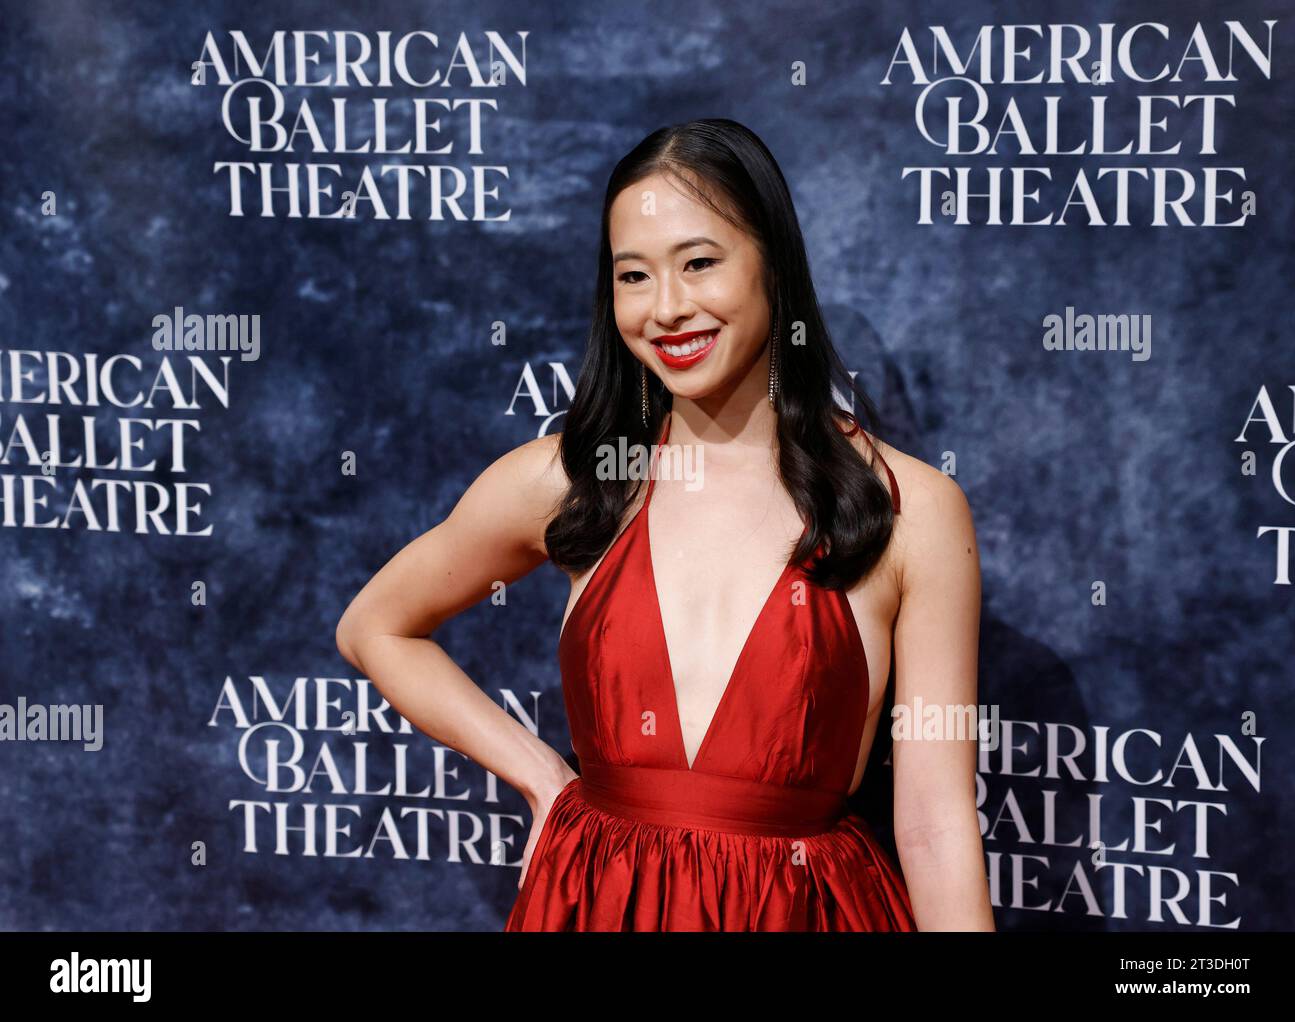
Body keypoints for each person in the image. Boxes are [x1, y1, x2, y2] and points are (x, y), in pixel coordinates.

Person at [336, 118, 993, 931]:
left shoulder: (914, 510)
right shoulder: (569, 482)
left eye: (700, 263)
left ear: (773, 267)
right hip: (595, 907)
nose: (668, 308)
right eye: (634, 276)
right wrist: (544, 778)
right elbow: (377, 627)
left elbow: (932, 824)